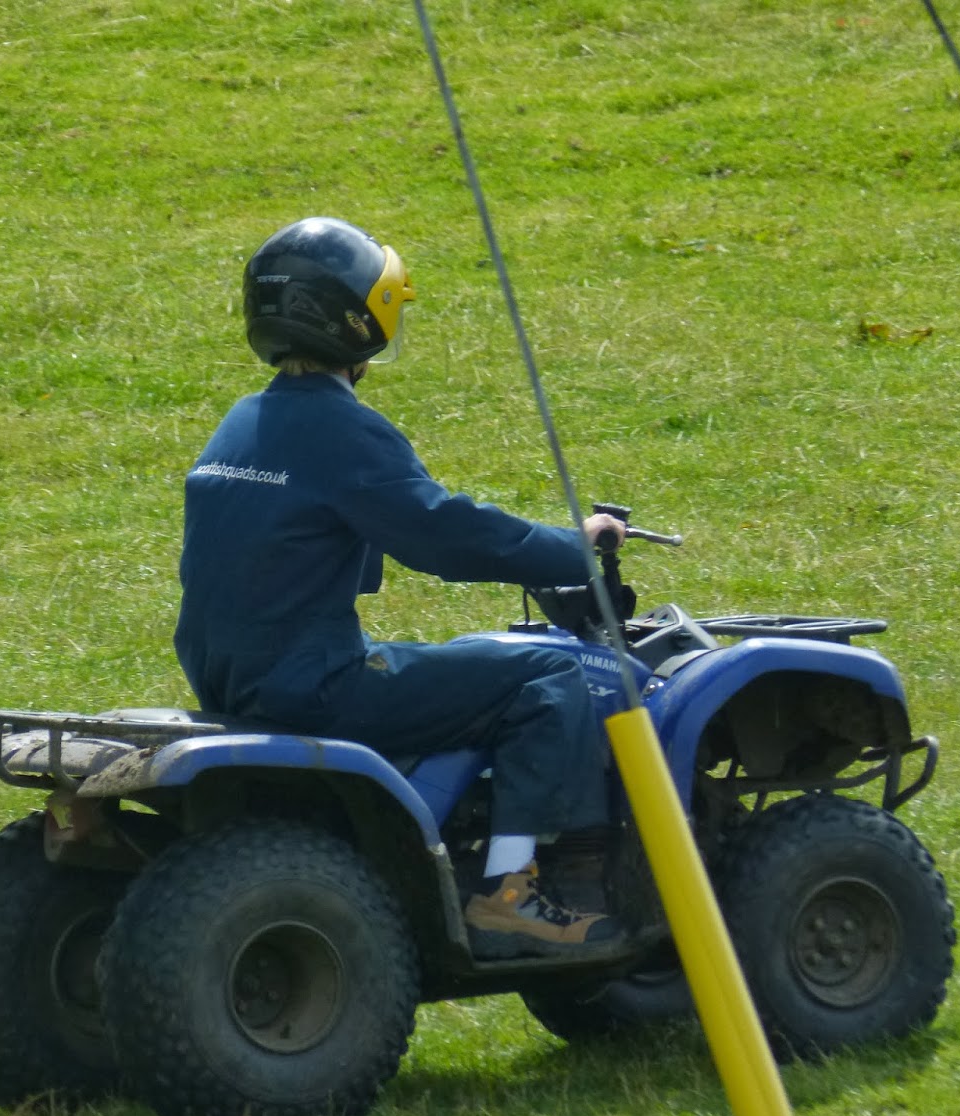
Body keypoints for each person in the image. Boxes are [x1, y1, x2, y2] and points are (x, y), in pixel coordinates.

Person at [173, 216, 627, 959]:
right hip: (310, 684)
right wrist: (572, 550)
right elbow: (445, 533)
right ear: (359, 319)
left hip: (232, 674)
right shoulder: (341, 429)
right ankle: (511, 897)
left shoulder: (244, 420)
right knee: (547, 676)